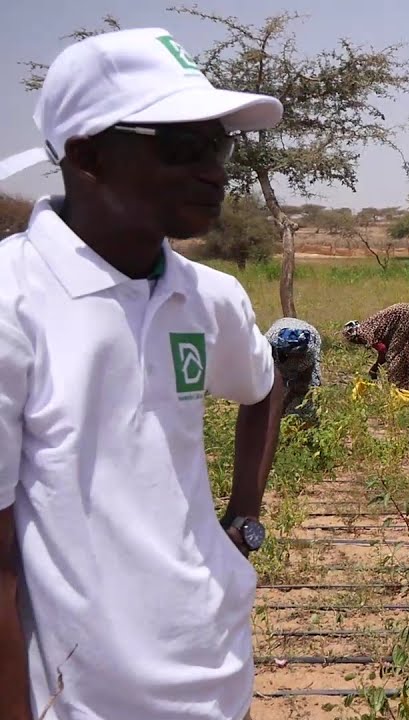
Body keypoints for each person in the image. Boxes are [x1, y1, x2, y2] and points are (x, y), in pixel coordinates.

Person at [0, 28, 285, 720]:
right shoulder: (15, 304)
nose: (214, 171)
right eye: (182, 146)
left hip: (220, 675)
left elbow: (264, 385)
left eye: (219, 146)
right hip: (89, 700)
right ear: (87, 156)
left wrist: (244, 514)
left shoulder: (208, 297)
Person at [343, 302, 409, 391]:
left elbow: (383, 350)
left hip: (405, 316)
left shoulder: (363, 335)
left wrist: (374, 368)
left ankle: (400, 387)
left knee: (394, 357)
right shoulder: (367, 326)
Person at [266, 317, 322, 422]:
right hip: (278, 344)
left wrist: (286, 402)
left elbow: (304, 380)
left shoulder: (310, 347)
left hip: (309, 337)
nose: (294, 360)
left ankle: (309, 419)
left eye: (297, 356)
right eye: (291, 355)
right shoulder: (268, 344)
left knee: (310, 389)